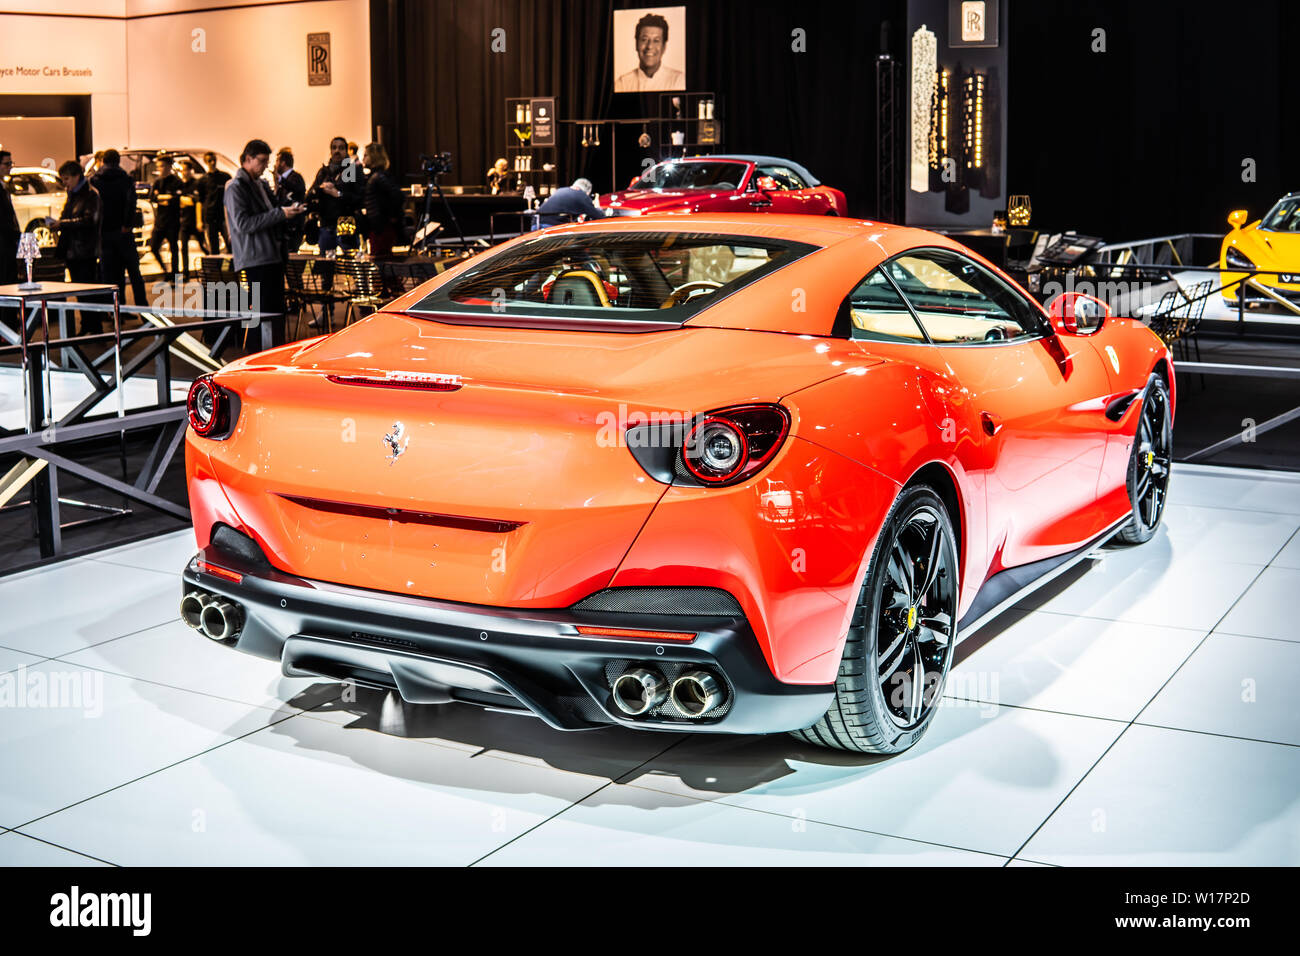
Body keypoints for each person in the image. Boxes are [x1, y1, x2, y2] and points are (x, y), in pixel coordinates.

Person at [225, 139, 305, 347]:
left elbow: (273, 210)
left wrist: (288, 210)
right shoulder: (235, 188)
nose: (264, 167)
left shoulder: (259, 184)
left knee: (275, 312)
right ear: (248, 159)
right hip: (255, 259)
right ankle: (256, 358)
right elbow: (243, 224)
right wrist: (281, 214)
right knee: (262, 314)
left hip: (271, 255)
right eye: (261, 161)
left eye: (266, 161)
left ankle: (272, 355)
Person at [48, 160, 103, 334]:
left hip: (84, 250)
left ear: (76, 176)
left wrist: (62, 224)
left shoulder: (90, 195)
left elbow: (89, 221)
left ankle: (93, 326)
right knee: (82, 290)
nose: (64, 183)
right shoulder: (74, 194)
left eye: (66, 179)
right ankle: (88, 324)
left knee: (87, 290)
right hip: (74, 249)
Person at [91, 148, 147, 306]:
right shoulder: (126, 179)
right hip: (123, 232)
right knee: (134, 272)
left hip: (104, 232)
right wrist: (127, 224)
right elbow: (131, 203)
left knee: (109, 274)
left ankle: (114, 309)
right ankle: (143, 308)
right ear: (118, 161)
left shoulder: (95, 180)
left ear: (103, 161)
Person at [307, 135, 362, 254]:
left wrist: (338, 194)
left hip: (346, 225)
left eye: (341, 148)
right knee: (326, 267)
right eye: (334, 148)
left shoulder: (351, 170)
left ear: (346, 151)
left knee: (350, 265)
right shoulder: (323, 172)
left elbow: (358, 198)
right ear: (330, 151)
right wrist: (320, 189)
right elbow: (309, 195)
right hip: (326, 225)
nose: (337, 151)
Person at [614, 13, 684, 92]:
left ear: (664, 47)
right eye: (644, 39)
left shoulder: (678, 80)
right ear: (636, 44)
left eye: (656, 41)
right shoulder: (622, 83)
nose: (649, 46)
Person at [361, 143, 402, 257]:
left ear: (373, 157)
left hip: (381, 226)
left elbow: (397, 195)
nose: (363, 158)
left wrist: (391, 216)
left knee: (381, 260)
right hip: (380, 225)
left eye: (366, 155)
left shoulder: (378, 177)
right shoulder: (378, 176)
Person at [148, 154, 182, 274]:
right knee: (153, 247)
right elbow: (152, 197)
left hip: (172, 221)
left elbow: (176, 199)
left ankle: (175, 276)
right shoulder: (157, 182)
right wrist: (164, 197)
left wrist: (161, 197)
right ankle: (165, 271)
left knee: (174, 250)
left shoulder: (177, 182)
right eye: (158, 166)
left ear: (169, 166)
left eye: (162, 166)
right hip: (160, 222)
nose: (159, 169)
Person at [273, 148, 306, 261]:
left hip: (293, 229)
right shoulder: (282, 182)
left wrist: (280, 180)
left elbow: (297, 190)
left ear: (282, 162)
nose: (275, 164)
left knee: (291, 262)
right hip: (283, 229)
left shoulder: (295, 178)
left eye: (277, 161)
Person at [177, 159, 209, 277]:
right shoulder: (180, 184)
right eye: (182, 170)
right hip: (184, 222)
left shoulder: (196, 184)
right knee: (183, 248)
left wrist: (199, 221)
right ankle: (185, 273)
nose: (183, 172)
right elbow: (178, 201)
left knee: (202, 246)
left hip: (195, 221)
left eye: (186, 170)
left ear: (191, 170)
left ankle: (211, 266)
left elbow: (196, 202)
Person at [535, 178, 606, 227]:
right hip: (552, 228)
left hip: (535, 225)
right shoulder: (582, 195)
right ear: (587, 192)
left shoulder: (560, 190)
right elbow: (598, 216)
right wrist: (597, 204)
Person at [198, 151, 231, 254]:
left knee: (230, 244)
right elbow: (200, 201)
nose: (212, 162)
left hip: (223, 217)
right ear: (205, 162)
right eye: (209, 161)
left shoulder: (225, 177)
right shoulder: (203, 180)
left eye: (214, 160)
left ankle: (229, 268)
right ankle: (217, 269)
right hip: (210, 217)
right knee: (214, 247)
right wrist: (199, 220)